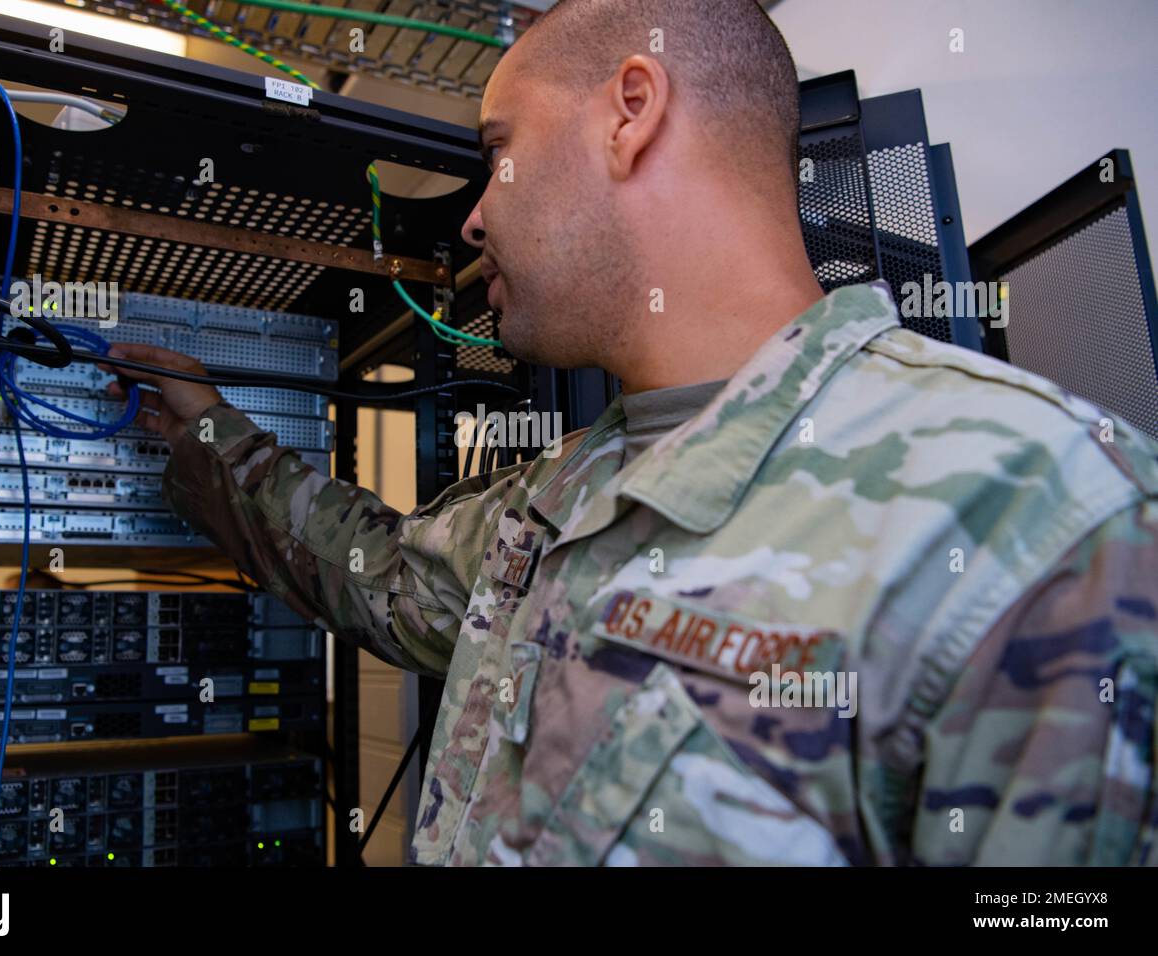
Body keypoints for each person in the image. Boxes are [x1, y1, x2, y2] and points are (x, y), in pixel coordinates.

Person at [106, 0, 1158, 865]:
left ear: (631, 112)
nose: (472, 218)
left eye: (498, 151)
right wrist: (209, 429)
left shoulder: (1047, 515)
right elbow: (368, 570)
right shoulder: (558, 497)